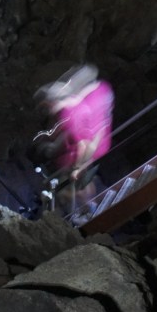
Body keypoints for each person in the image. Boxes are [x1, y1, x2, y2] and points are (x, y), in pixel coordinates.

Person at [34, 64, 114, 215]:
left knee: (72, 186)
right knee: (84, 181)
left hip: (87, 152)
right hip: (99, 145)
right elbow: (98, 129)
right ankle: (89, 207)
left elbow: (85, 145)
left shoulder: (71, 115)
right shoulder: (100, 90)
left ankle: (86, 211)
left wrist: (77, 167)